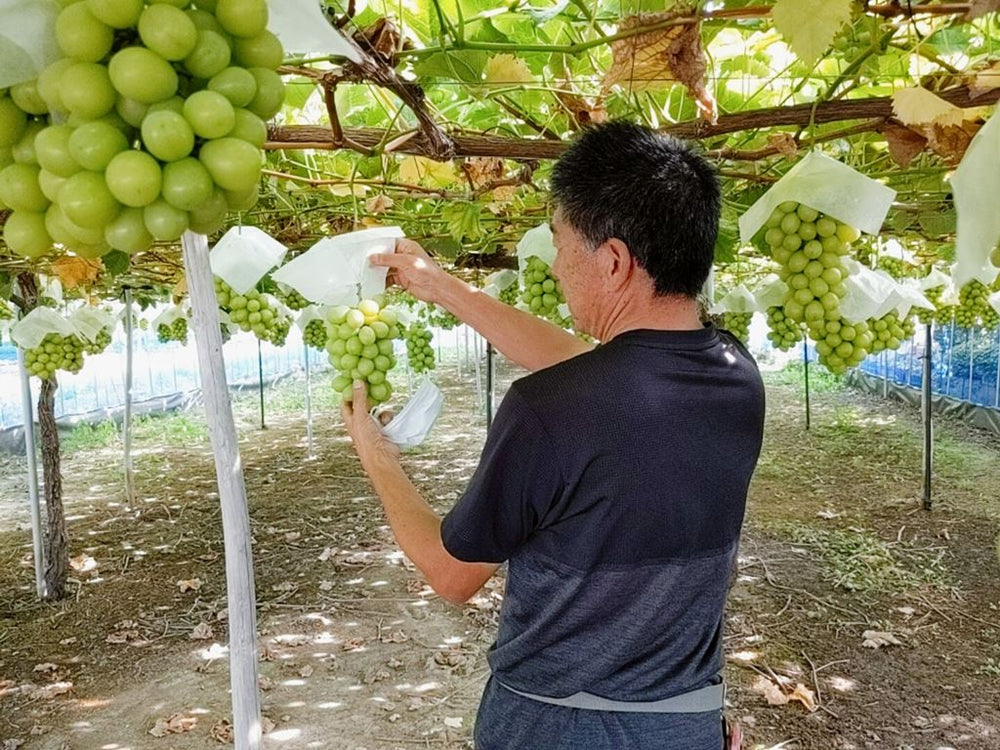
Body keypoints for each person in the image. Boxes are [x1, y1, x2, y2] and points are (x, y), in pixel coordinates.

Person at [340, 121, 765, 750]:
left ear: (614, 261)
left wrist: (378, 458)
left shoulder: (548, 410)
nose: (558, 268)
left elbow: (453, 575)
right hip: (685, 719)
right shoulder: (737, 375)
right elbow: (591, 362)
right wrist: (442, 287)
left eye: (561, 245)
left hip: (558, 727)